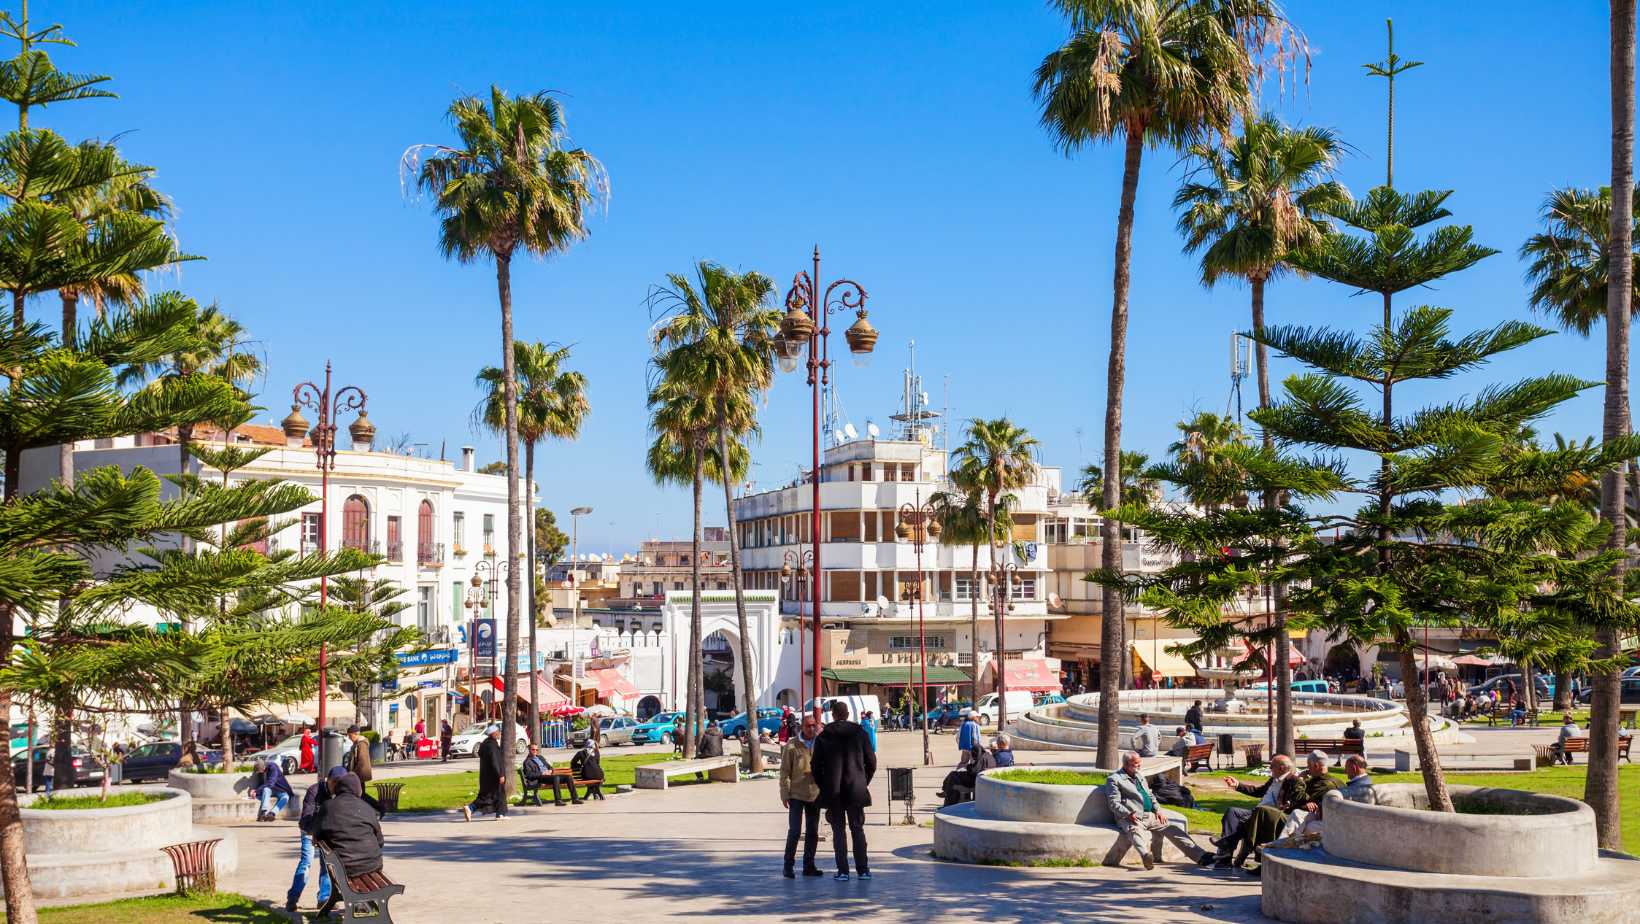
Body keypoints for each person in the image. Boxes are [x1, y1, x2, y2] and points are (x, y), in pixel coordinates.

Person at [1103, 751, 1207, 870]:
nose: (1139, 766)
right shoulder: (1114, 779)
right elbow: (1113, 803)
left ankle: (1201, 856)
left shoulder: (1139, 776)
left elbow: (1151, 796)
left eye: (1140, 763)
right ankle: (1146, 856)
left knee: (1173, 829)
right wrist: (1127, 814)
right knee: (1135, 831)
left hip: (1150, 816)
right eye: (1136, 764)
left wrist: (1158, 810)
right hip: (1131, 817)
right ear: (1127, 764)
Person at [811, 700, 876, 881]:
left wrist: (824, 785)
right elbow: (871, 762)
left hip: (833, 792)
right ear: (847, 714)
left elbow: (815, 766)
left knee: (838, 831)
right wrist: (863, 781)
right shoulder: (860, 734)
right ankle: (863, 870)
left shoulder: (824, 736)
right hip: (856, 789)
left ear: (833, 715)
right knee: (857, 829)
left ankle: (843, 871)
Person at [1202, 754, 1298, 870]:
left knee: (1240, 818)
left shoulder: (1293, 782)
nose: (1269, 768)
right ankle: (1225, 858)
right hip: (1256, 812)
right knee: (1232, 812)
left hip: (1268, 816)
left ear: (1282, 768)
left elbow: (1295, 802)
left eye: (1272, 766)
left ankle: (1225, 845)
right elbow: (1258, 791)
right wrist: (1237, 785)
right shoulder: (1274, 779)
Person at [314, 772, 388, 919]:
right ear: (357, 789)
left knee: (358, 880)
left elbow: (317, 834)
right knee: (364, 880)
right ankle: (366, 913)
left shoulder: (328, 807)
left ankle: (365, 912)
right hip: (371, 866)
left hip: (342, 869)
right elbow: (380, 842)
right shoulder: (366, 808)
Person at [286, 766, 344, 913]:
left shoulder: (341, 794)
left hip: (326, 833)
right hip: (309, 830)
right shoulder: (314, 790)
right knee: (306, 862)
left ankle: (324, 899)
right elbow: (306, 817)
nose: (336, 786)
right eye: (334, 782)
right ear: (328, 780)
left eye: (340, 783)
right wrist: (316, 831)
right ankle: (292, 898)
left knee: (327, 864)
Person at [779, 714, 823, 878]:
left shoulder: (821, 743)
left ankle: (809, 865)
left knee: (812, 831)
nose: (811, 729)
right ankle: (788, 865)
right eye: (808, 726)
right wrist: (784, 793)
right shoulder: (792, 745)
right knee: (795, 831)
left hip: (815, 794)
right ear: (802, 727)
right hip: (796, 794)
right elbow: (784, 771)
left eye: (813, 725)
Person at [461, 725, 508, 821]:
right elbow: (495, 761)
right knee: (488, 796)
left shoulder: (486, 744)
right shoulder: (492, 746)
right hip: (494, 776)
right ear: (494, 733)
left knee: (496, 794)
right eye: (498, 731)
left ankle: (500, 814)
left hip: (486, 776)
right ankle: (471, 808)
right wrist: (500, 774)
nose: (499, 733)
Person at [252, 757, 295, 822]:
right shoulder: (261, 772)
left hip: (280, 789)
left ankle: (272, 813)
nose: (259, 773)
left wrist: (256, 791)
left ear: (263, 768)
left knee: (286, 797)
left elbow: (271, 783)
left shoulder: (273, 767)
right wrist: (256, 791)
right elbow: (261, 784)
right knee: (266, 789)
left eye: (259, 771)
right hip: (270, 790)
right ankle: (263, 813)